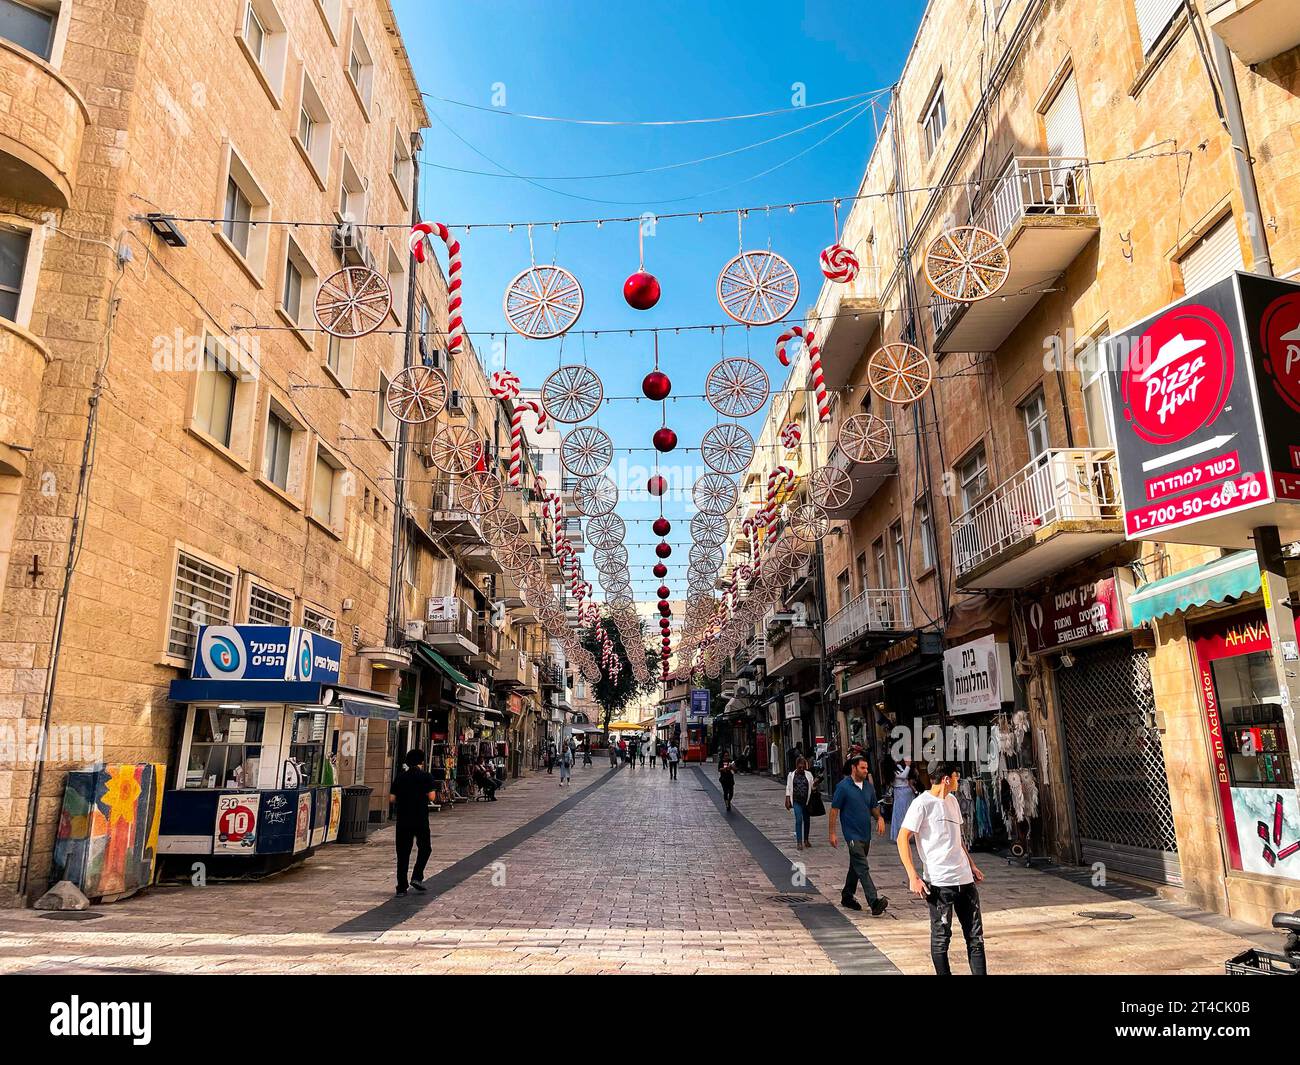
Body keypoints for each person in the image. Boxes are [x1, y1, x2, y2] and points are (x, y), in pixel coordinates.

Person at [897, 761, 987, 976]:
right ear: (947, 779)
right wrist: (913, 876)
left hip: (965, 880)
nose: (958, 780)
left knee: (976, 938)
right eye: (956, 776)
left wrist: (972, 865)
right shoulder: (922, 804)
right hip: (939, 883)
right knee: (941, 939)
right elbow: (902, 838)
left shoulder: (953, 801)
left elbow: (957, 838)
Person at [829, 754, 889, 916]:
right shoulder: (843, 787)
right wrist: (832, 833)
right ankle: (874, 901)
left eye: (867, 768)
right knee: (862, 867)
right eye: (862, 768)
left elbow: (873, 806)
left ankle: (847, 896)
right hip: (851, 834)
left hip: (866, 834)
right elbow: (834, 810)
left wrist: (880, 818)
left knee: (855, 866)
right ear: (853, 768)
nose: (866, 770)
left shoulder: (869, 787)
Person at [389, 749, 436, 896]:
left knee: (403, 853)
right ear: (422, 761)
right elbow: (432, 797)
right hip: (420, 818)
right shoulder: (426, 776)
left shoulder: (400, 777)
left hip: (403, 819)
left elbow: (391, 799)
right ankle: (417, 876)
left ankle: (401, 888)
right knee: (425, 848)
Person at [885, 756, 921, 842]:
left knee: (908, 812)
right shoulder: (892, 771)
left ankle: (909, 835)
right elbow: (904, 776)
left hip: (907, 791)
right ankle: (901, 835)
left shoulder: (899, 767)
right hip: (900, 792)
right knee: (900, 813)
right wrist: (908, 765)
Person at [784, 756, 815, 849]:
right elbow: (788, 787)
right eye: (800, 767)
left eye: (803, 767)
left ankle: (806, 839)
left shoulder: (809, 774)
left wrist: (815, 784)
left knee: (807, 820)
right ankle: (799, 842)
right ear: (796, 766)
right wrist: (787, 799)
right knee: (798, 819)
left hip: (807, 801)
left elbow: (812, 786)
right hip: (797, 801)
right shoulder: (791, 775)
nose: (802, 769)